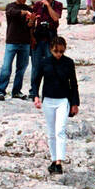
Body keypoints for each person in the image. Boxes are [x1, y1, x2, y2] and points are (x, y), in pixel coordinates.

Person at [32, 36, 79, 175]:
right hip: (48, 100)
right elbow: (36, 80)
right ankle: (53, 159)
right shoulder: (44, 62)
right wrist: (35, 96)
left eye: (61, 51)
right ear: (51, 49)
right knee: (51, 132)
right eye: (56, 51)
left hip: (63, 100)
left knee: (60, 130)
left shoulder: (69, 63)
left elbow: (74, 84)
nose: (58, 54)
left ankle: (59, 161)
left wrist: (75, 103)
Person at [0, 0, 34, 101]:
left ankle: (16, 91)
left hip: (25, 42)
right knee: (6, 68)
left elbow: (30, 26)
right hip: (12, 42)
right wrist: (24, 12)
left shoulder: (29, 8)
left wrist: (32, 20)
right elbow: (12, 13)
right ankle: (0, 91)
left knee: (21, 69)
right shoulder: (10, 7)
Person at [28, 0, 63, 95]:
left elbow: (55, 17)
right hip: (38, 38)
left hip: (51, 38)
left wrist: (48, 6)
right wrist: (32, 37)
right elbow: (32, 22)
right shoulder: (38, 5)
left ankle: (50, 90)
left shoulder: (57, 4)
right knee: (36, 67)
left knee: (51, 66)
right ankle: (34, 91)